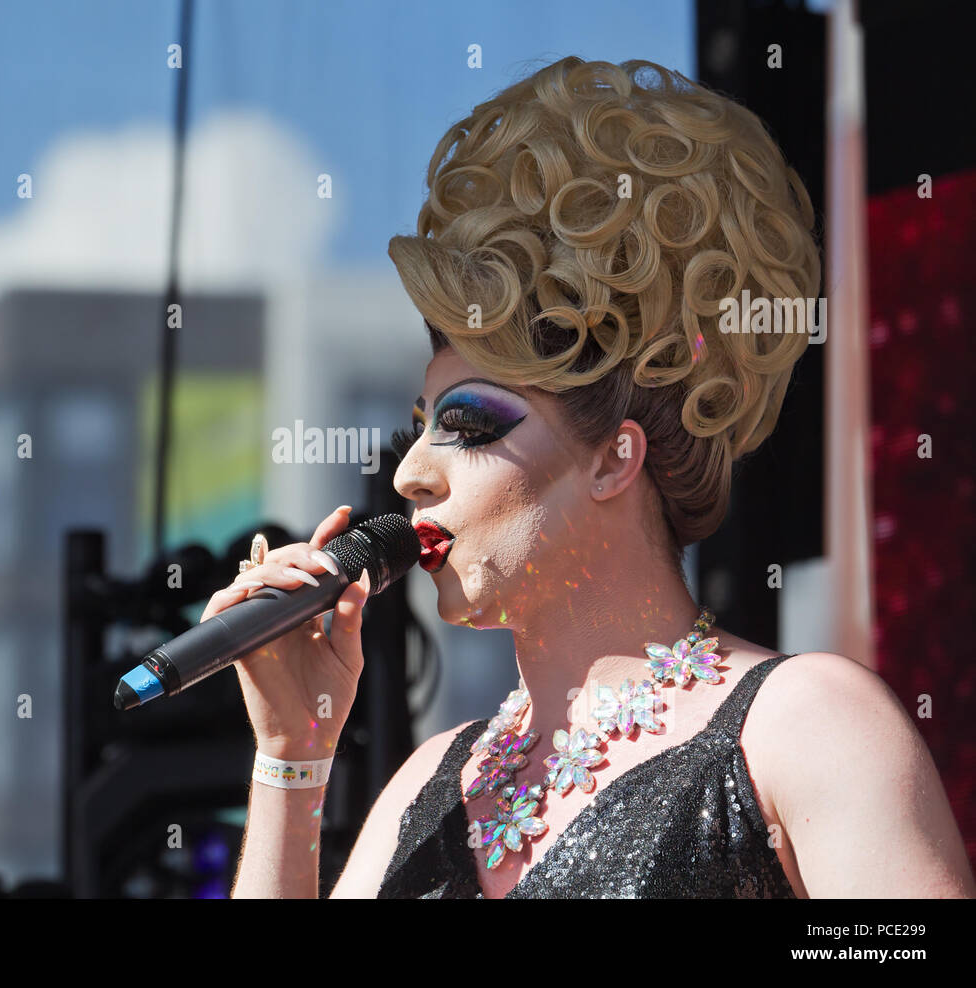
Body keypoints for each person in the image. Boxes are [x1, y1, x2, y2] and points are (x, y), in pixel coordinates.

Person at [215, 56, 976, 898]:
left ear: (615, 458)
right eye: (418, 428)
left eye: (465, 425)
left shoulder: (807, 723)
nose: (412, 475)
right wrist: (291, 756)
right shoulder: (424, 788)